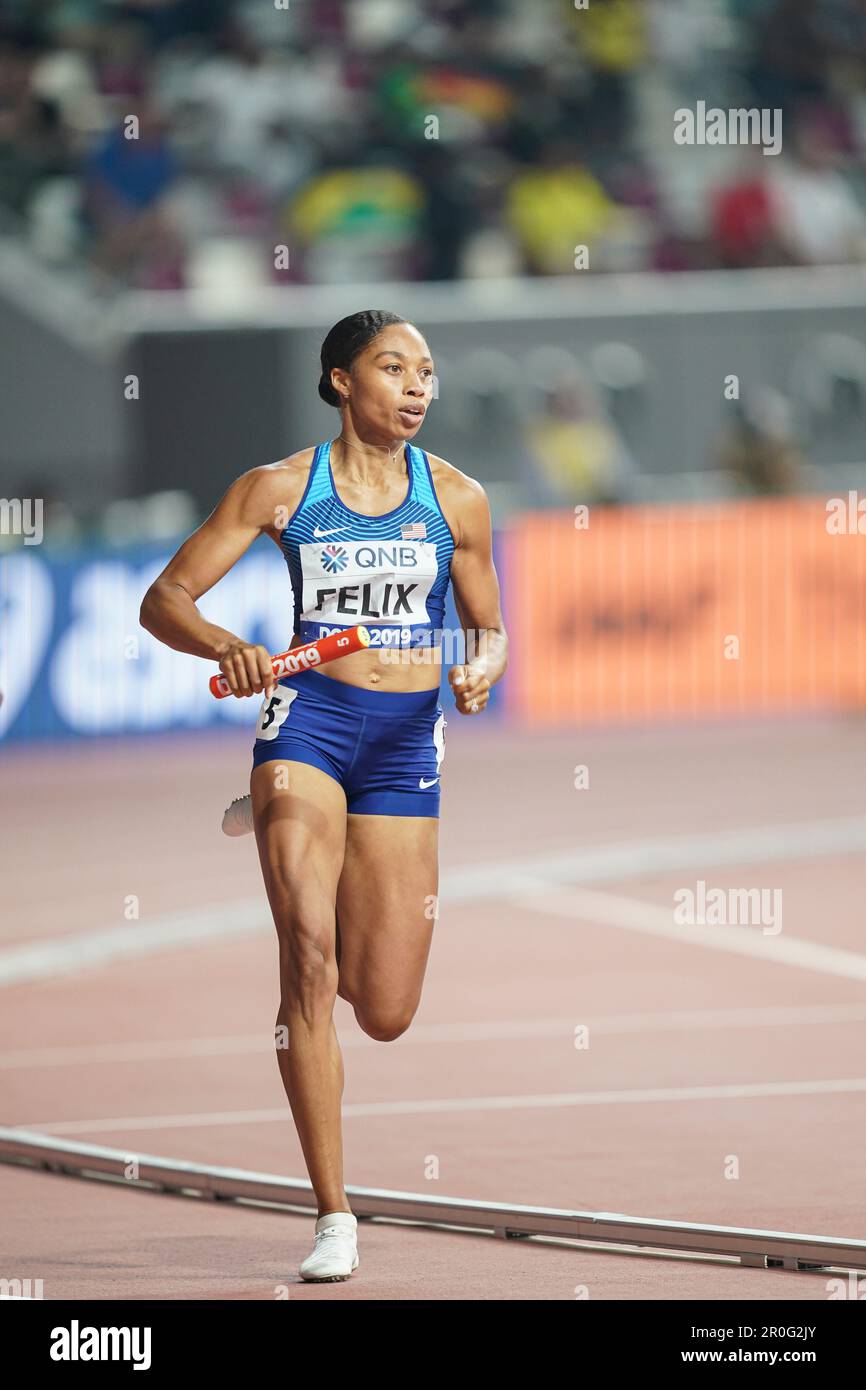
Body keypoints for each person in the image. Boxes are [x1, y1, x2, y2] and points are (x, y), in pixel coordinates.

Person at [139, 309, 508, 1281]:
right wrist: (228, 645)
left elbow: (490, 629)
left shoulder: (458, 499)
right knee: (304, 952)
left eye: (426, 371)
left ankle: (311, 842)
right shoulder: (278, 489)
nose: (416, 387)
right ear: (341, 380)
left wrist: (481, 667)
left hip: (400, 748)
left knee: (382, 1007)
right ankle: (334, 1213)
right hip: (306, 726)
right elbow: (164, 599)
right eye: (394, 367)